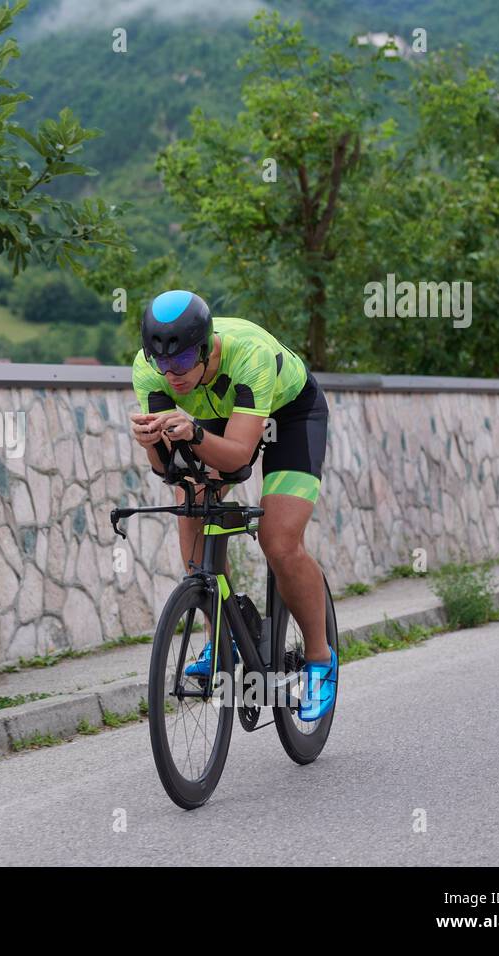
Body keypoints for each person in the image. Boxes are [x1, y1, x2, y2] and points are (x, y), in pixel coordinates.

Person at [129, 289, 336, 720]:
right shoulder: (149, 370)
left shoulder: (249, 355)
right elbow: (168, 468)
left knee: (278, 541)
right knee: (190, 496)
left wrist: (194, 434)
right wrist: (152, 445)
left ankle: (320, 659)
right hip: (218, 416)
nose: (172, 375)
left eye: (183, 362)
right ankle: (219, 638)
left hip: (289, 415)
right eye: (162, 363)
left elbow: (240, 455)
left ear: (206, 348)